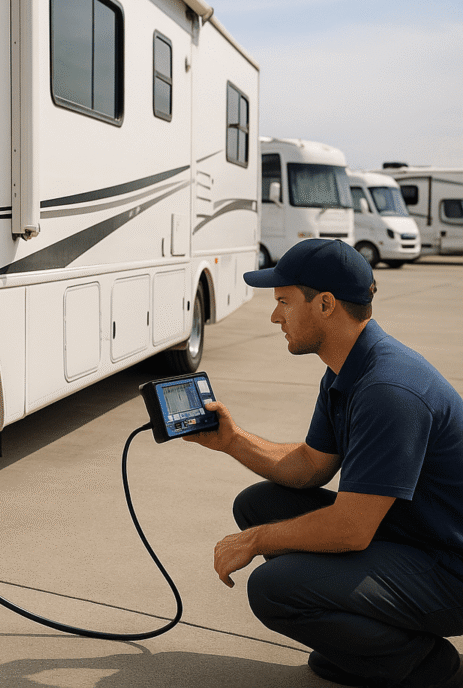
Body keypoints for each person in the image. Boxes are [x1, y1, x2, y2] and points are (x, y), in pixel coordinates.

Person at [185, 238, 463, 688]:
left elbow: (352, 529)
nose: (275, 316)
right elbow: (310, 465)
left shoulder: (388, 389)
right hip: (413, 535)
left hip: (451, 566)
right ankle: (366, 644)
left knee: (273, 588)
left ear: (326, 305)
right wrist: (233, 441)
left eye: (283, 302)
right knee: (260, 505)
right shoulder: (346, 369)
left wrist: (256, 540)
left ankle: (426, 665)